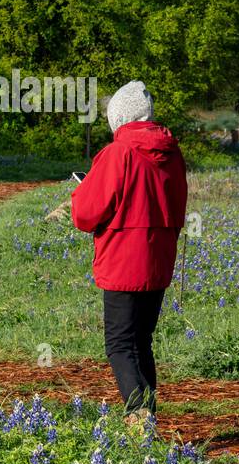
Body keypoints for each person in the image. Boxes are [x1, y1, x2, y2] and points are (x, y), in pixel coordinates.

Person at [71, 80, 187, 426]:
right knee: (141, 342)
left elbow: (86, 213)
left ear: (118, 118)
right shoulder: (172, 153)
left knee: (120, 344)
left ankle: (139, 416)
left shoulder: (118, 153)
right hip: (159, 259)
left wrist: (82, 191)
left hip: (123, 261)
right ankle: (148, 416)